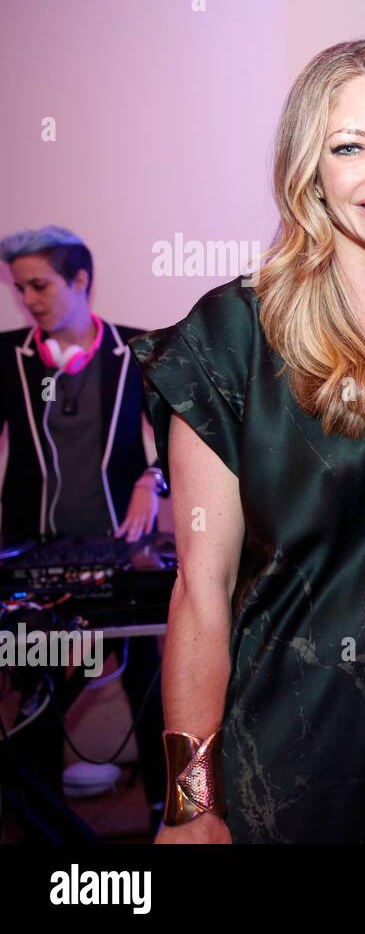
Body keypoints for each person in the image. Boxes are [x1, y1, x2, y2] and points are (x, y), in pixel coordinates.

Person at [131, 38, 365, 843]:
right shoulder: (234, 340)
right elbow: (200, 591)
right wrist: (191, 807)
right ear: (310, 175)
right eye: (348, 147)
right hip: (291, 771)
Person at [0, 225, 168, 833]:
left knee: (150, 691)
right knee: (39, 697)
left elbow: (184, 436)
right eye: (20, 289)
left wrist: (155, 482)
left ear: (80, 281)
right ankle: (44, 825)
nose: (29, 300)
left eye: (40, 285)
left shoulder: (138, 350)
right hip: (35, 555)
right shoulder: (7, 357)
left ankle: (165, 817)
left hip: (123, 555)